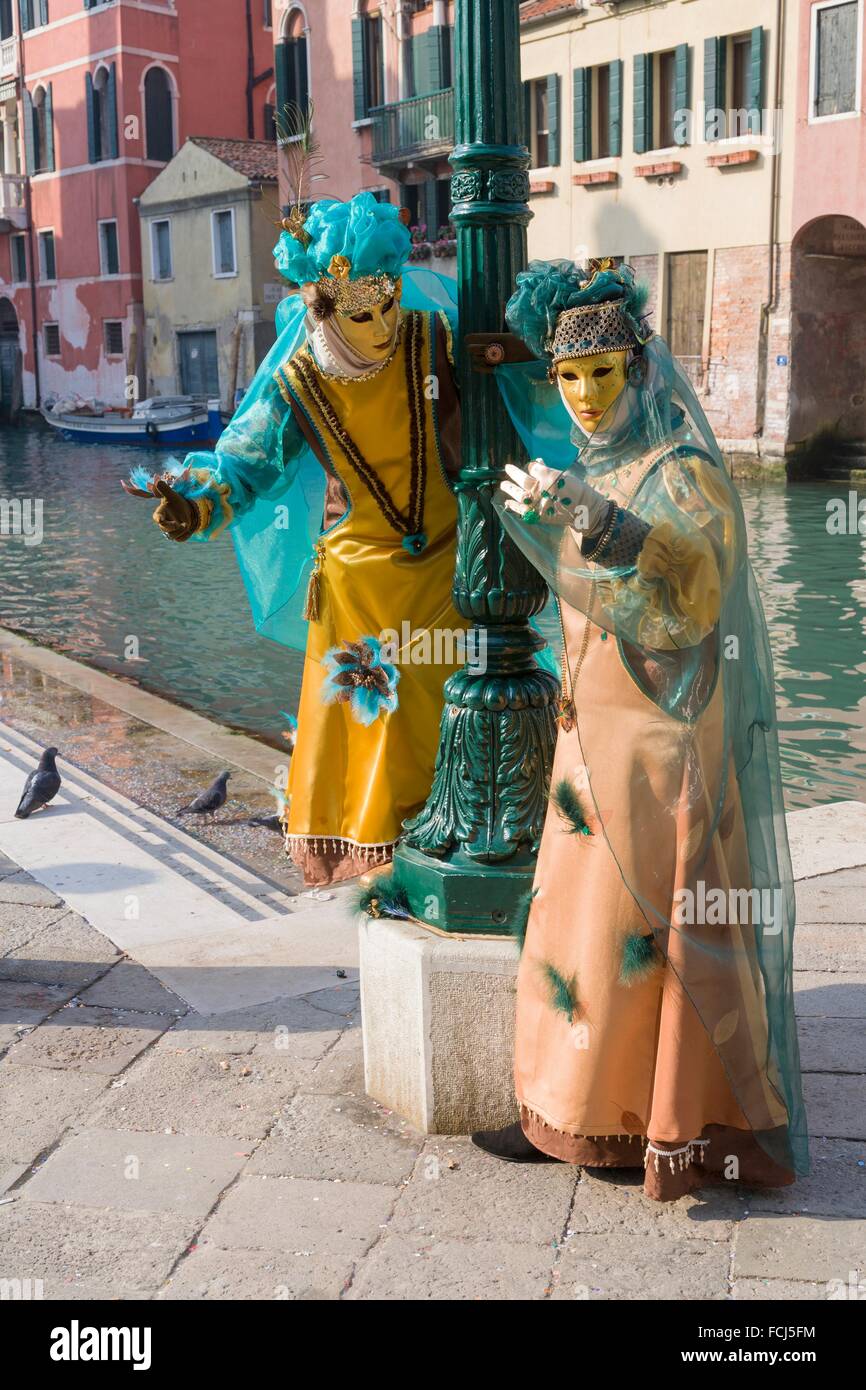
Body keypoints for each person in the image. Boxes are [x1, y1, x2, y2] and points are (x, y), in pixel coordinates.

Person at [470, 258, 807, 1201]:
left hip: (662, 744)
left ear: (639, 368)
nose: (580, 395)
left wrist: (611, 527)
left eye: (601, 373)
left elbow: (696, 599)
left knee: (645, 933)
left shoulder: (683, 472)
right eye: (566, 377)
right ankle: (567, 1113)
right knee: (572, 928)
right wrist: (558, 512)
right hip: (588, 743)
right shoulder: (591, 466)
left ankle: (662, 1124)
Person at [124, 192, 465, 886]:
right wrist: (195, 505)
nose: (381, 326)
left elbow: (500, 422)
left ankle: (456, 857)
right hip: (357, 596)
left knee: (448, 724)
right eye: (362, 313)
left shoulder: (435, 340)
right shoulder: (299, 379)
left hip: (448, 578)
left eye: (390, 303)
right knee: (378, 735)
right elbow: (245, 465)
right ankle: (383, 875)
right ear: (323, 309)